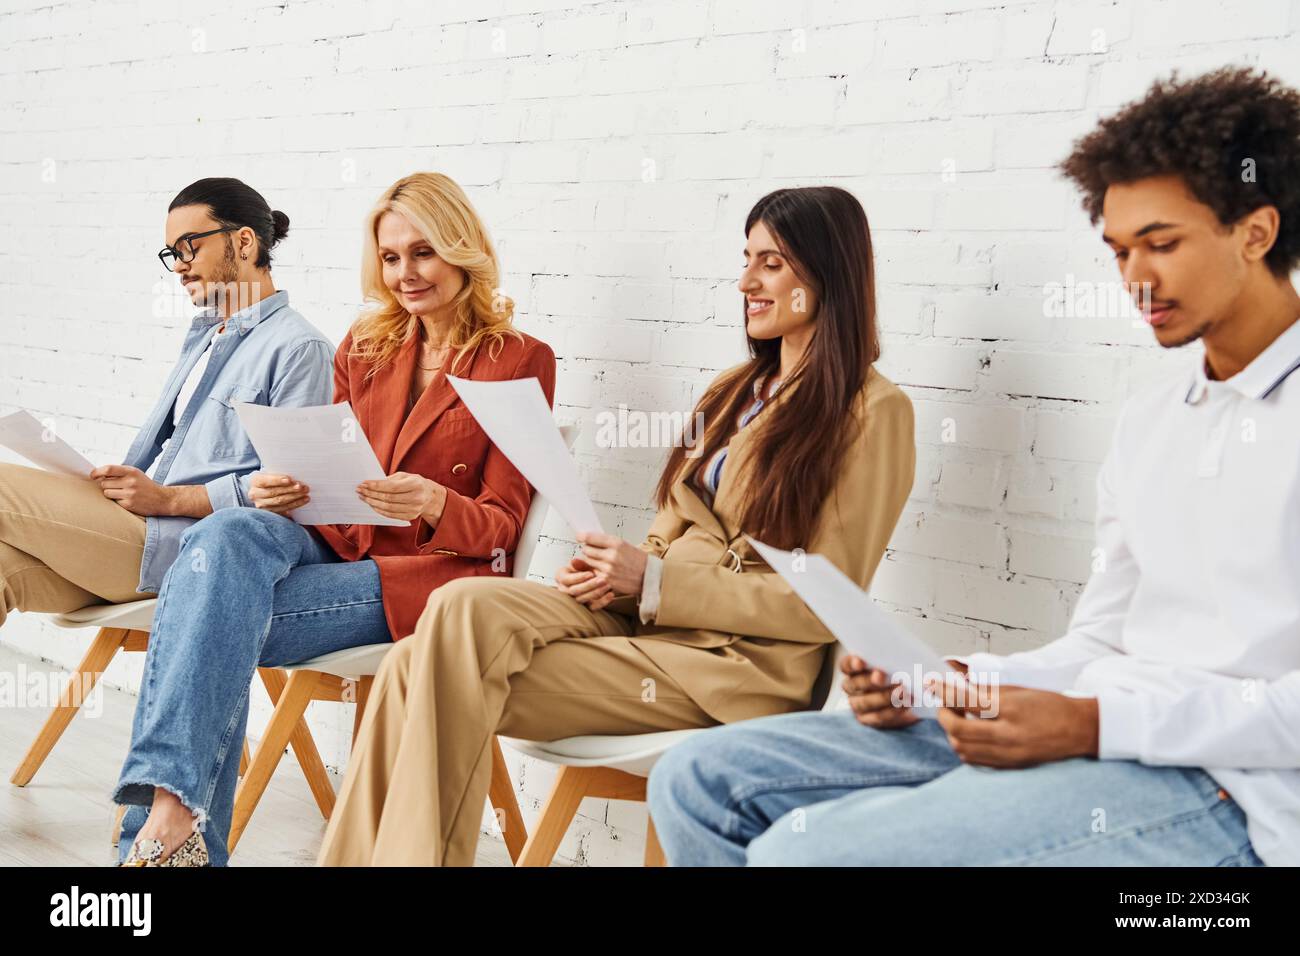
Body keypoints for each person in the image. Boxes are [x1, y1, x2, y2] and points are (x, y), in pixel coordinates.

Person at [646, 66, 1300, 867]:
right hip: (1104, 726)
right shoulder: (1153, 423)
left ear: (1256, 232)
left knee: (807, 856)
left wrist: (1094, 725)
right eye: (1120, 249)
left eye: (1161, 244)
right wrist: (946, 680)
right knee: (697, 779)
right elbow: (1103, 636)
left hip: (1234, 787)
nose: (1136, 278)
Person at [316, 185, 917, 866]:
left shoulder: (874, 413)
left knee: (413, 667)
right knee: (451, 615)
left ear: (828, 272)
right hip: (646, 625)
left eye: (771, 263)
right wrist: (617, 571)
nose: (746, 281)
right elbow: (667, 536)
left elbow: (820, 600)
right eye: (746, 259)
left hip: (730, 673)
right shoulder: (730, 391)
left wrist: (656, 580)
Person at [113, 172, 556, 866]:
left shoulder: (517, 360)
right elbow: (336, 483)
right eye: (390, 257)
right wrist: (295, 488)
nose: (405, 274)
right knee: (222, 537)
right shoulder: (365, 345)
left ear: (461, 249)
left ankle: (160, 834)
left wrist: (436, 503)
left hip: (422, 577)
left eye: (423, 253)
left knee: (203, 606)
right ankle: (176, 823)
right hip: (336, 546)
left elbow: (503, 526)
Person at [0, 177, 331, 630]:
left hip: (189, 552)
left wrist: (166, 498)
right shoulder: (204, 338)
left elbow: (292, 495)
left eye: (189, 246)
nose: (179, 265)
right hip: (136, 534)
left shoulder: (299, 348)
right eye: (173, 253)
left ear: (245, 241)